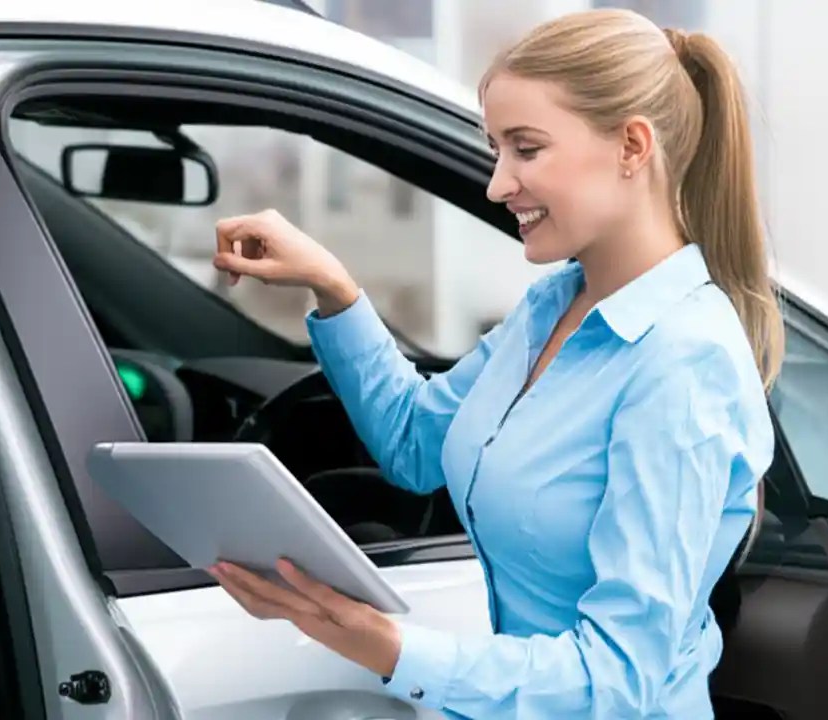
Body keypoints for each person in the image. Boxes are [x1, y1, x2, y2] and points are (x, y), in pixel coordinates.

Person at [205, 8, 780, 719]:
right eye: (495, 150)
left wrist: (389, 648)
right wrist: (334, 290)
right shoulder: (550, 308)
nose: (496, 184)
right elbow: (417, 444)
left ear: (632, 145)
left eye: (526, 149)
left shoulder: (684, 363)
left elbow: (620, 676)